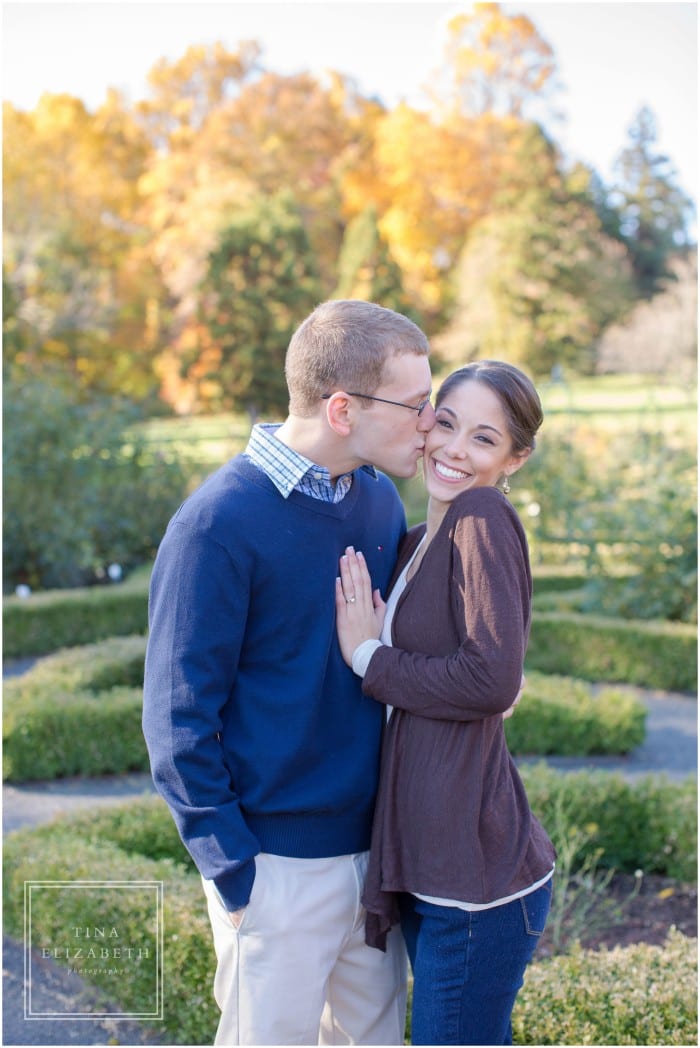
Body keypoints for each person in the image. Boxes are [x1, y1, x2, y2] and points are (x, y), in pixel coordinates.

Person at [142, 299, 437, 1046]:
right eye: (417, 404)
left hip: (373, 865)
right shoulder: (215, 525)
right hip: (274, 871)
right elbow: (176, 723)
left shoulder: (375, 501)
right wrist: (235, 872)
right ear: (342, 409)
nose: (430, 422)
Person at [335, 360, 557, 1047]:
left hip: (476, 885)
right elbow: (490, 670)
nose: (456, 449)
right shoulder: (419, 541)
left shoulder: (483, 515)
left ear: (513, 459)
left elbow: (491, 679)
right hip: (436, 867)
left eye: (484, 439)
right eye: (448, 422)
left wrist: (370, 658)